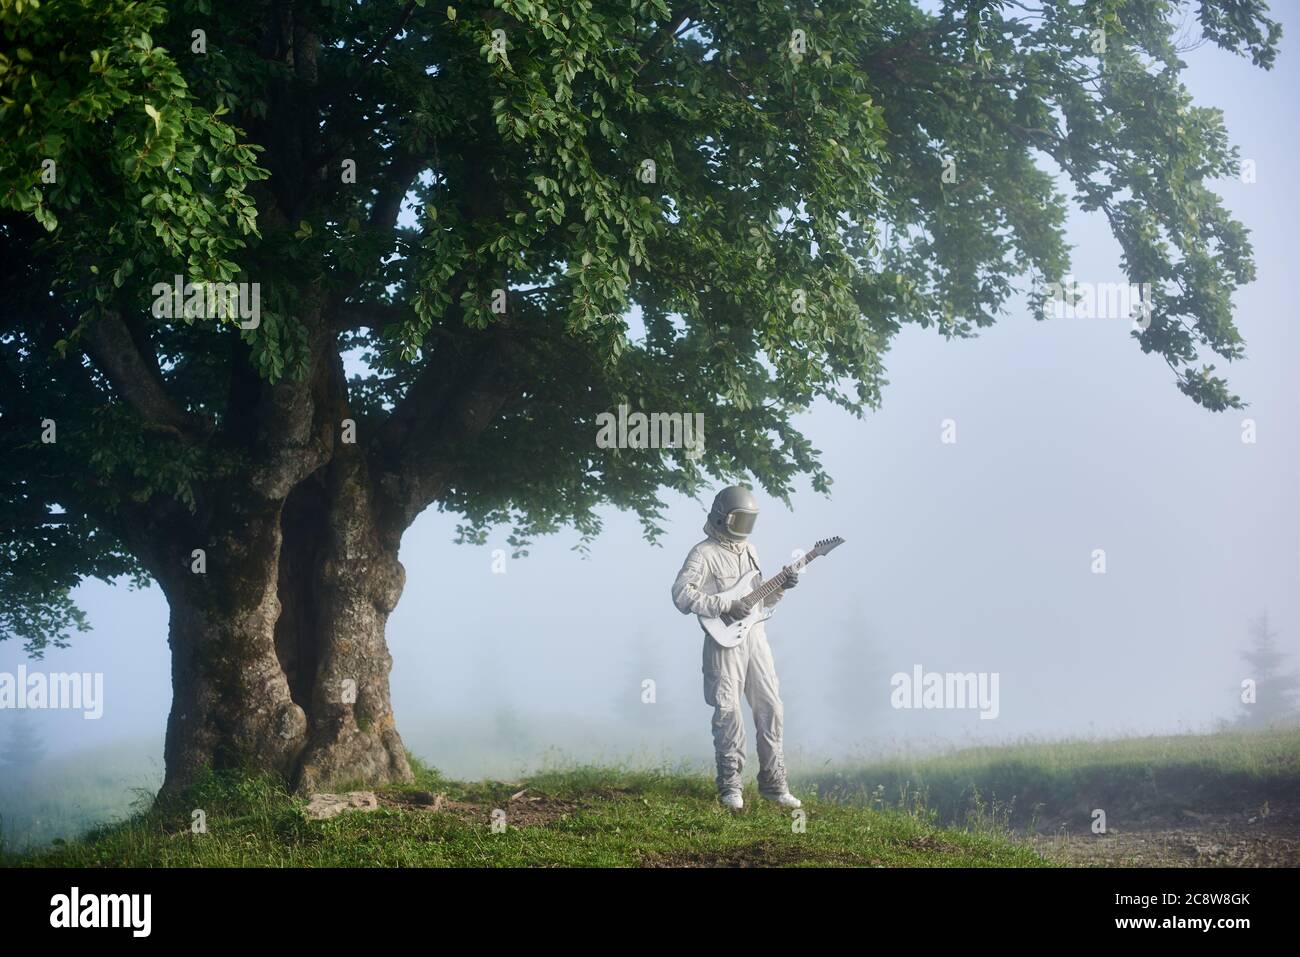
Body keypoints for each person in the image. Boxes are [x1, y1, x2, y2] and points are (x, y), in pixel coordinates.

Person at [670, 486, 802, 810]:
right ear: (721, 516)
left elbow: (758, 599)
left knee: (771, 707)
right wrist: (724, 604)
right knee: (728, 712)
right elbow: (681, 594)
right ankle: (731, 786)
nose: (743, 527)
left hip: (756, 638)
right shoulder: (702, 553)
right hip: (723, 643)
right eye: (738, 519)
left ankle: (774, 783)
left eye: (749, 521)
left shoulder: (751, 549)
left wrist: (782, 587)